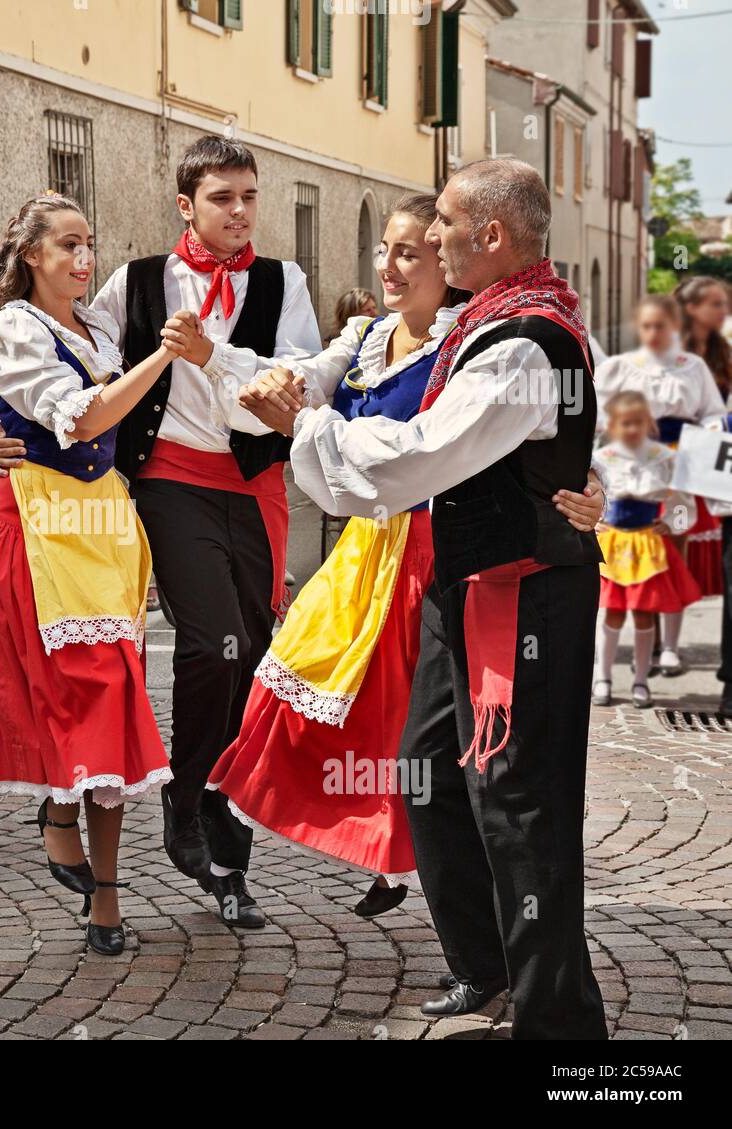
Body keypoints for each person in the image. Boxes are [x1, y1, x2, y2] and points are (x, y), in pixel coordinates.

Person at [242, 159, 608, 1039]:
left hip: (525, 597)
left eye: (442, 222)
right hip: (467, 585)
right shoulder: (481, 323)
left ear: (490, 235)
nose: (430, 239)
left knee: (521, 804)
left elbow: (417, 456)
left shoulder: (523, 340)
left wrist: (310, 429)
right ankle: (482, 964)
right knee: (431, 772)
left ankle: (561, 1027)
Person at [208, 194, 468, 917]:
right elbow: (300, 382)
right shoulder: (362, 336)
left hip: (428, 548)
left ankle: (408, 858)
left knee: (402, 715)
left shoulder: (463, 343)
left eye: (408, 251)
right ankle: (239, 812)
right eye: (384, 248)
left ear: (447, 261)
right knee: (290, 680)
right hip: (364, 546)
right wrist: (264, 383)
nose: (388, 264)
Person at [89, 136, 323, 929]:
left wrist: (214, 353)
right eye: (222, 197)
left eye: (249, 196)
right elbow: (86, 363)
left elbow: (289, 381)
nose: (239, 211)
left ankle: (225, 856)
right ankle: (185, 807)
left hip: (255, 487)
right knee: (211, 640)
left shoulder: (284, 282)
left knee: (251, 662)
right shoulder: (137, 280)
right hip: (170, 482)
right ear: (186, 204)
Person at [0, 193, 180, 956]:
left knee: (115, 692)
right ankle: (64, 820)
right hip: (36, 521)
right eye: (67, 245)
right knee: (74, 690)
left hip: (99, 521)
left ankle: (108, 893)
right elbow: (82, 418)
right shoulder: (12, 326)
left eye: (89, 243)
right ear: (31, 254)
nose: (84, 259)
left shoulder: (92, 325)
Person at [595, 293, 726, 675]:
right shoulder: (622, 367)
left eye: (662, 326)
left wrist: (708, 457)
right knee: (632, 543)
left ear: (676, 328)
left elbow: (714, 414)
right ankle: (633, 633)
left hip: (679, 459)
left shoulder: (692, 366)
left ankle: (668, 646)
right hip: (633, 457)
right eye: (647, 326)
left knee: (672, 548)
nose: (654, 333)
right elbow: (599, 414)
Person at [592, 390, 702, 709]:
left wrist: (671, 522)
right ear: (613, 425)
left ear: (648, 423)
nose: (632, 430)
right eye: (625, 423)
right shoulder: (605, 457)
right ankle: (604, 677)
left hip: (645, 543)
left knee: (643, 613)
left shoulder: (661, 457)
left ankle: (641, 679)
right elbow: (590, 490)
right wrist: (595, 521)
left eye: (638, 423)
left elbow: (682, 498)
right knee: (611, 611)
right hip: (612, 543)